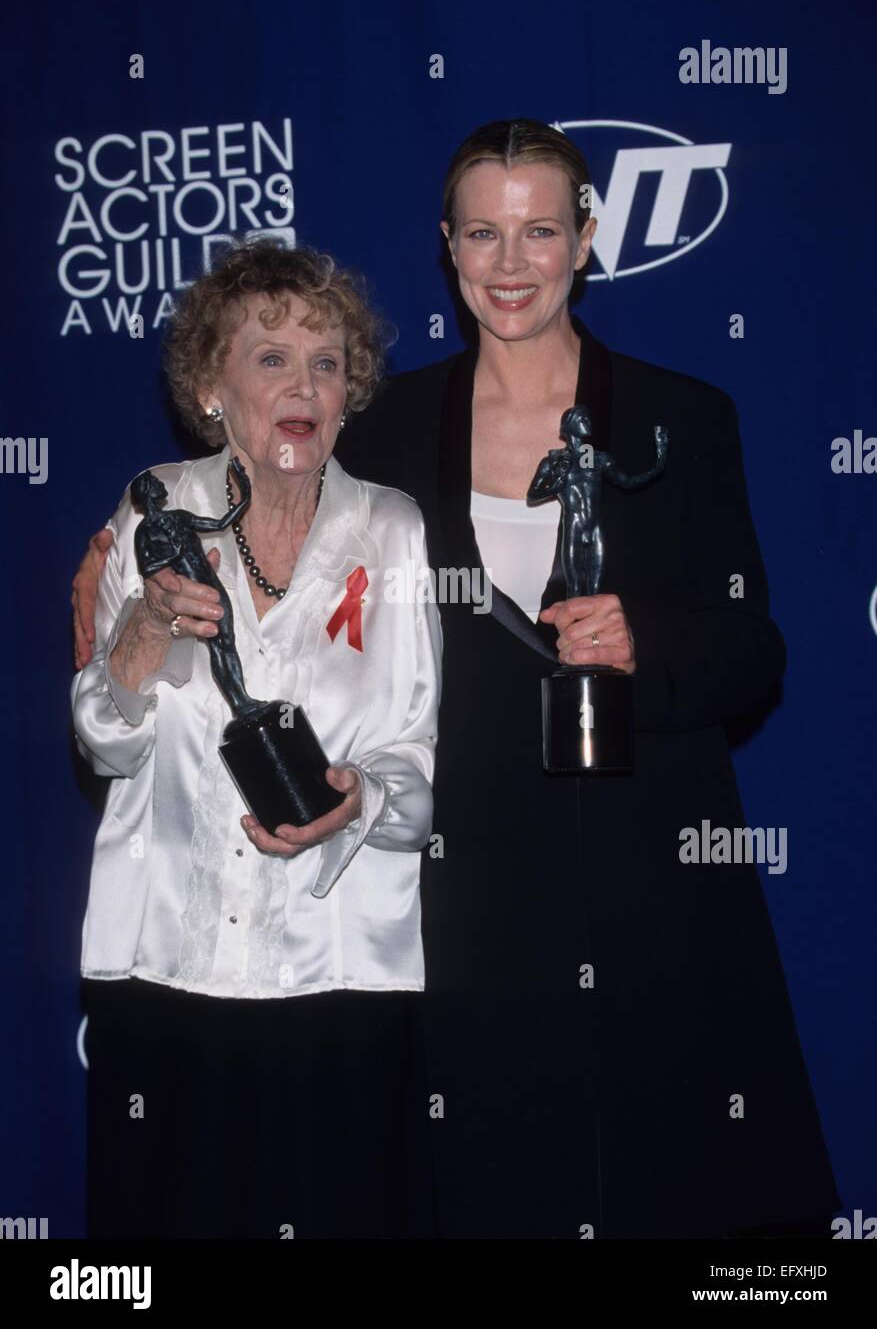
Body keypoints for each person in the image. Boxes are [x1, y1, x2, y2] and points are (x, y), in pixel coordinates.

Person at [74, 119, 839, 1239]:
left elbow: (752, 649)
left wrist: (645, 644)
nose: (512, 261)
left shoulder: (682, 417)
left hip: (652, 867)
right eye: (484, 232)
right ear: (447, 247)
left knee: (680, 1190)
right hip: (466, 882)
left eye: (540, 230)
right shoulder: (379, 432)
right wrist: (116, 602)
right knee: (490, 1189)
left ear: (587, 239)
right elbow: (256, 532)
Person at [71, 241, 442, 1239]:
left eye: (326, 362)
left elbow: (418, 761)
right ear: (210, 387)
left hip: (340, 981)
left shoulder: (395, 530)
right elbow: (103, 741)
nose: (304, 384)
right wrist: (141, 633)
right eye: (270, 357)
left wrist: (357, 795)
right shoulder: (155, 510)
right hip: (167, 981)